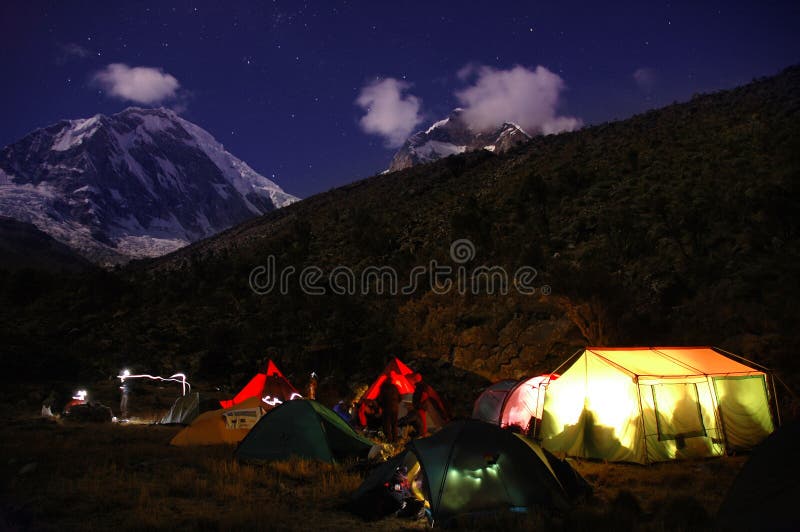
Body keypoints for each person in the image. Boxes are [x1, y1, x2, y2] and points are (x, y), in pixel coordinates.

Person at [411, 373, 449, 437]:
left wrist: (419, 404)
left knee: (423, 423)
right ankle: (423, 434)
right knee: (422, 422)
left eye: (413, 379)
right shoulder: (421, 386)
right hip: (422, 406)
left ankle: (423, 435)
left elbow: (424, 396)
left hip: (421, 406)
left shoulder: (422, 387)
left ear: (415, 379)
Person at [377, 373, 402, 442]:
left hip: (386, 408)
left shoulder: (383, 388)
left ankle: (389, 440)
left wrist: (381, 406)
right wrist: (396, 403)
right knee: (394, 424)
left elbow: (380, 399)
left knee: (387, 424)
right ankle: (395, 440)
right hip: (395, 408)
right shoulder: (395, 387)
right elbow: (400, 398)